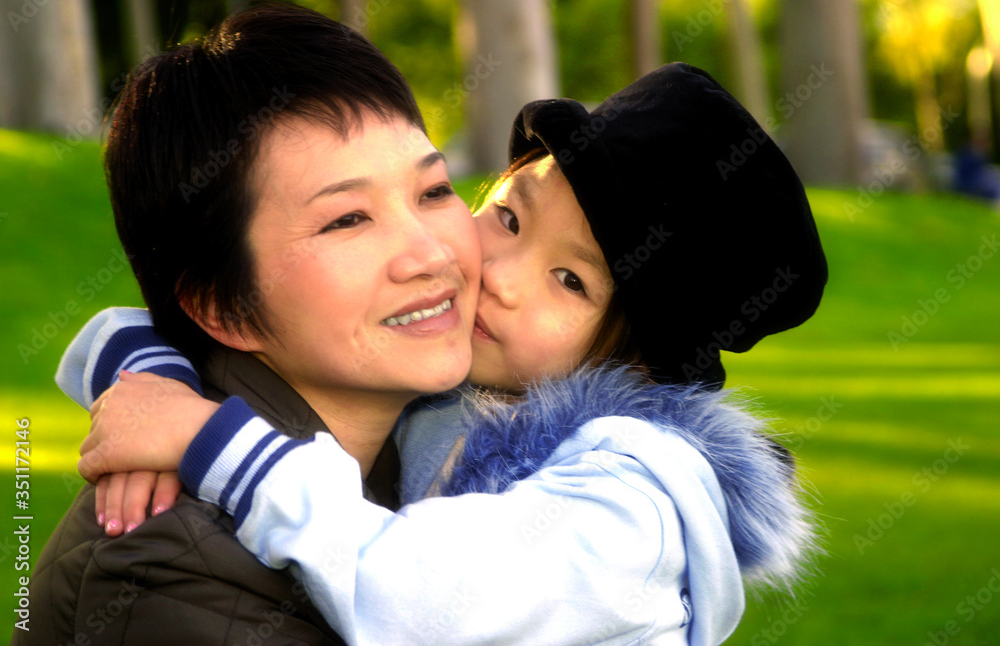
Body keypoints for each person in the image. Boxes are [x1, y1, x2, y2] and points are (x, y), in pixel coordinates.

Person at [57, 62, 828, 644]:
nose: (501, 277)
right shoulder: (458, 398)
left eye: (569, 281)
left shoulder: (629, 502)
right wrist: (154, 383)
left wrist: (205, 439)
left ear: (639, 365)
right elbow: (128, 325)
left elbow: (417, 598)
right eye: (509, 219)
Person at [15, 2, 482, 646]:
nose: (432, 255)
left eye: (433, 191)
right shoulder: (177, 564)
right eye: (348, 219)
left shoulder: (441, 440)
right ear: (222, 306)